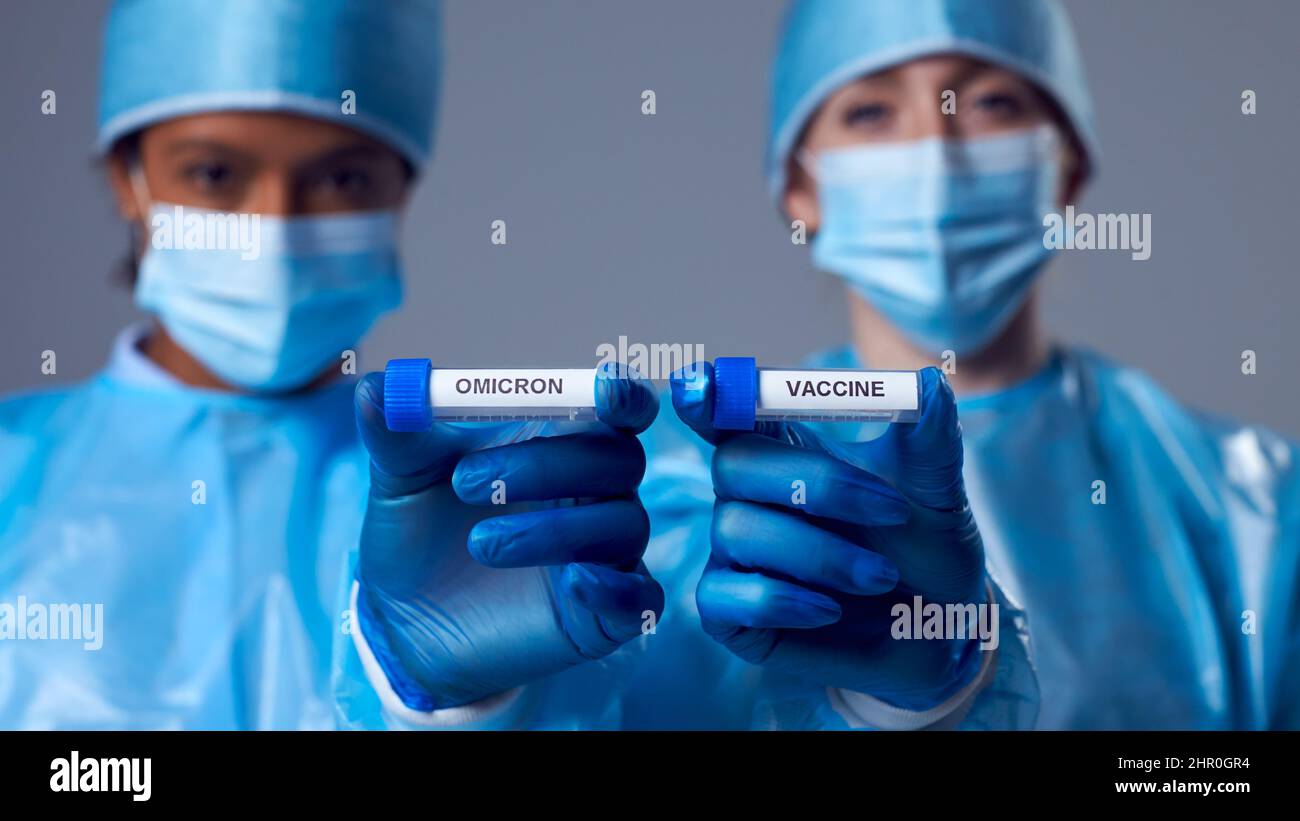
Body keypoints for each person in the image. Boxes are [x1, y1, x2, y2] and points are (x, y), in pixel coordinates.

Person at [0, 0, 672, 730]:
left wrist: (462, 704)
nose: (275, 225)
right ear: (125, 176)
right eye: (215, 173)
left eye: (341, 180)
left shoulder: (496, 502)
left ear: (401, 188)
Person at [649, 0, 1300, 729]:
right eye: (870, 112)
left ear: (1067, 166)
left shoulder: (1261, 510)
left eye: (990, 100)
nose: (938, 150)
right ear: (801, 188)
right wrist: (501, 700)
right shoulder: (681, 500)